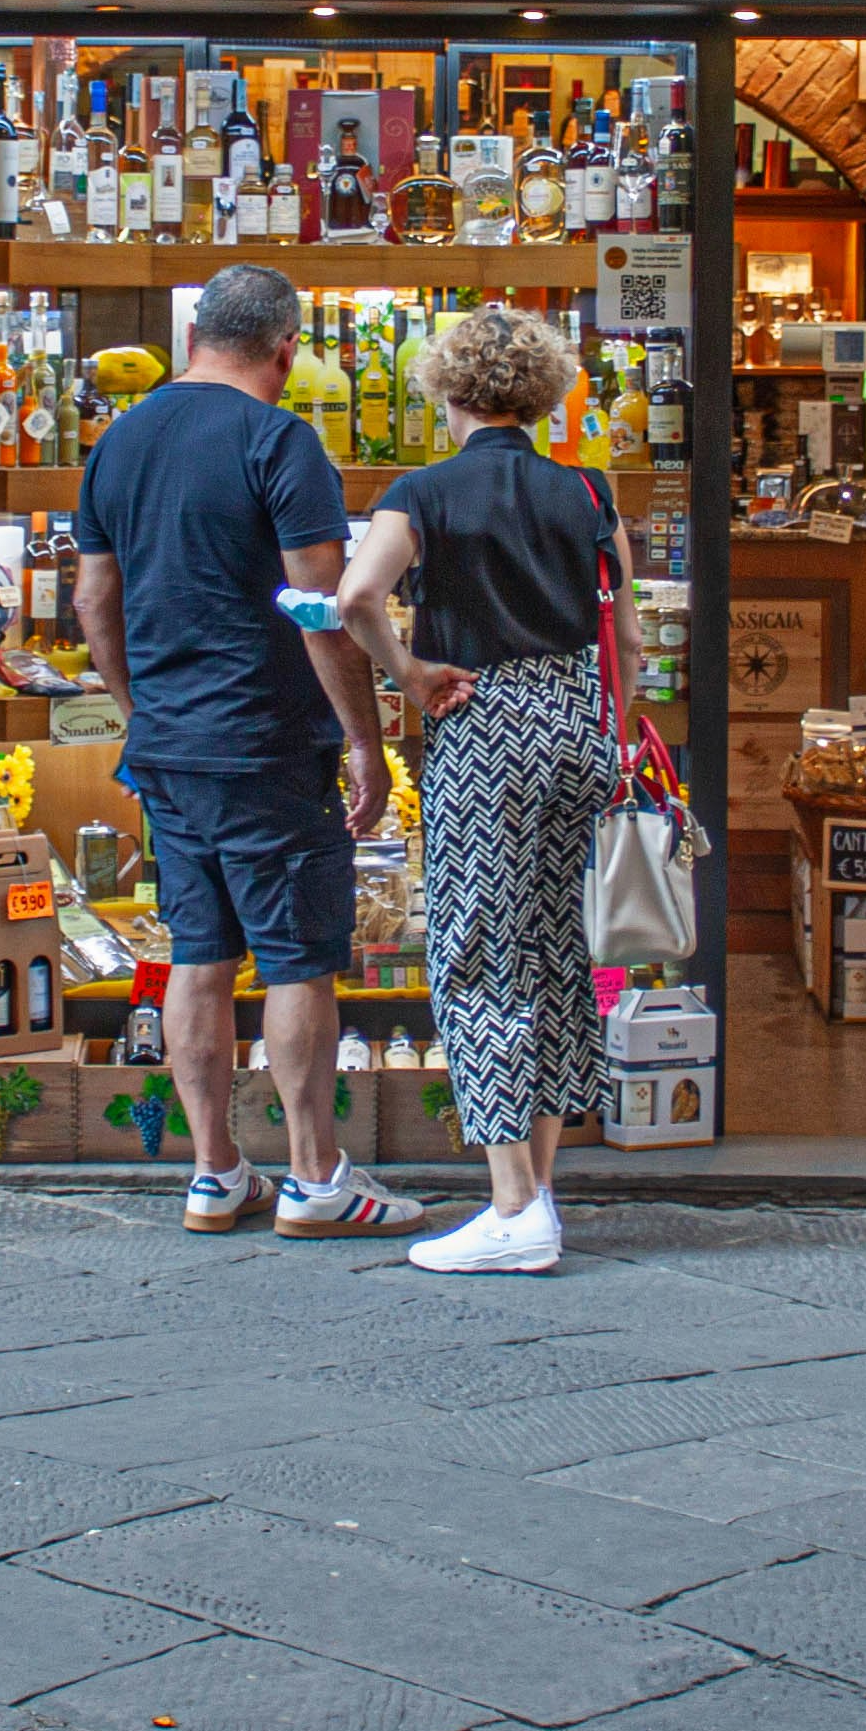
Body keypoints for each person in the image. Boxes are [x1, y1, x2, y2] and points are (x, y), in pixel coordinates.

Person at [73, 266, 428, 1238]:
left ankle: (215, 1174)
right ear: (284, 351)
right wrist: (364, 737)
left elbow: (92, 605)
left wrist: (138, 706)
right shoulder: (280, 441)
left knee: (198, 956)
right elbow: (321, 612)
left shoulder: (119, 443)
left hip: (172, 748)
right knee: (295, 964)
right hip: (269, 746)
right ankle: (315, 1178)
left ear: (195, 337)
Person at [334, 303, 633, 1277]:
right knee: (552, 955)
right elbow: (625, 640)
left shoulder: (424, 491)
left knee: (474, 952)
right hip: (576, 722)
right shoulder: (588, 491)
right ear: (540, 395)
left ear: (447, 390)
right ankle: (535, 1194)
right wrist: (610, 736)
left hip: (485, 726)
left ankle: (511, 1207)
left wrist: (410, 673)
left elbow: (355, 599)